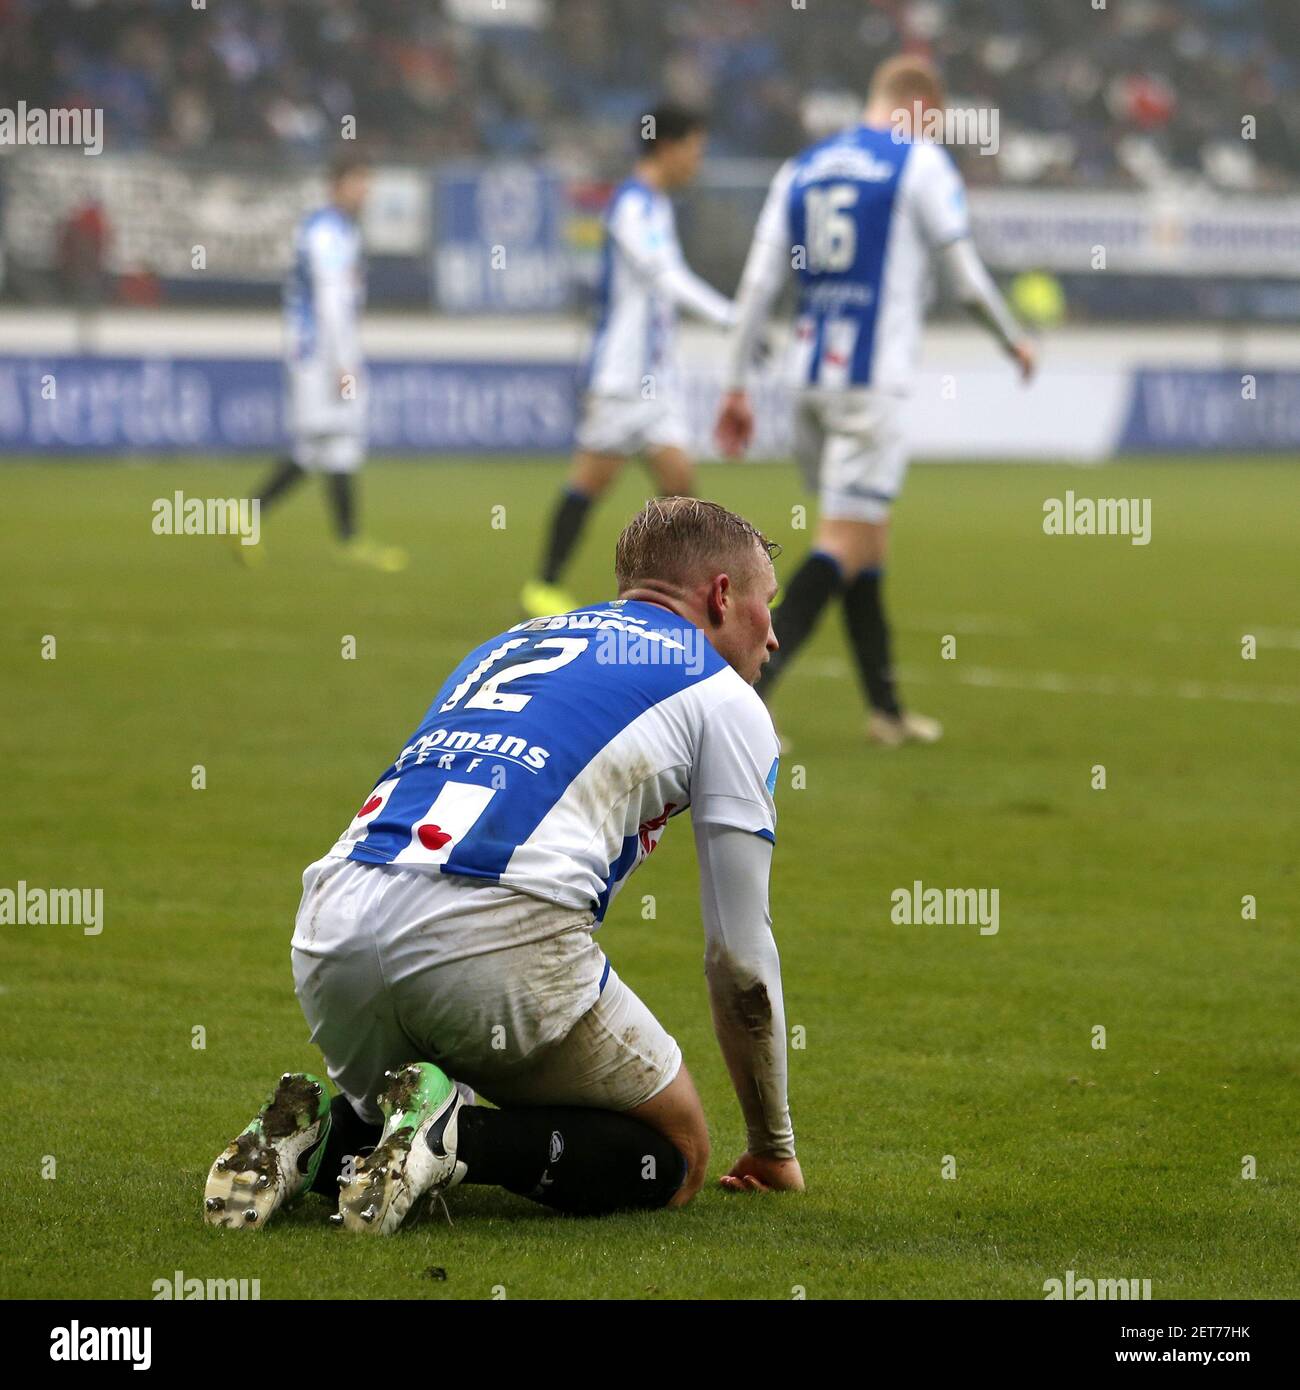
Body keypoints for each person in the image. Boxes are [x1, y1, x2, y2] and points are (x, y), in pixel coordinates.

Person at [205, 497, 804, 1234]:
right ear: (719, 596)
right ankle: (457, 1140)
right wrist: (773, 1148)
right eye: (764, 605)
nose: (773, 638)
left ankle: (321, 1138)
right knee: (675, 1153)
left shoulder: (510, 643)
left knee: (408, 1087)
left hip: (333, 930)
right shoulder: (724, 695)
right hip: (487, 940)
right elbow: (739, 957)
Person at [715, 56, 1037, 745]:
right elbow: (966, 279)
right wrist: (1014, 340)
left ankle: (884, 711)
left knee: (867, 542)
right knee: (843, 541)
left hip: (806, 381)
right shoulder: (917, 164)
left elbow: (756, 289)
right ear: (921, 108)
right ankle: (746, 692)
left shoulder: (800, 169)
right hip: (869, 384)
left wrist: (736, 385)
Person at [520, 106, 736, 618]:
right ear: (667, 147)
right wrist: (733, 318)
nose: (697, 162)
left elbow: (670, 278)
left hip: (654, 381)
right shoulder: (632, 207)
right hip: (619, 378)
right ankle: (543, 583)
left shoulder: (656, 206)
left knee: (681, 486)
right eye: (694, 150)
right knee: (591, 481)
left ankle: (706, 592)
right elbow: (666, 278)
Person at [241, 152, 407, 572]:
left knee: (337, 442)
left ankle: (346, 538)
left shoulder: (339, 231)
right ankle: (251, 514)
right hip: (319, 355)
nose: (365, 192)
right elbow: (330, 303)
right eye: (358, 182)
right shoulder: (328, 233)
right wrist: (343, 365)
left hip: (323, 352)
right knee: (323, 441)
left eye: (368, 183)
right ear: (336, 184)